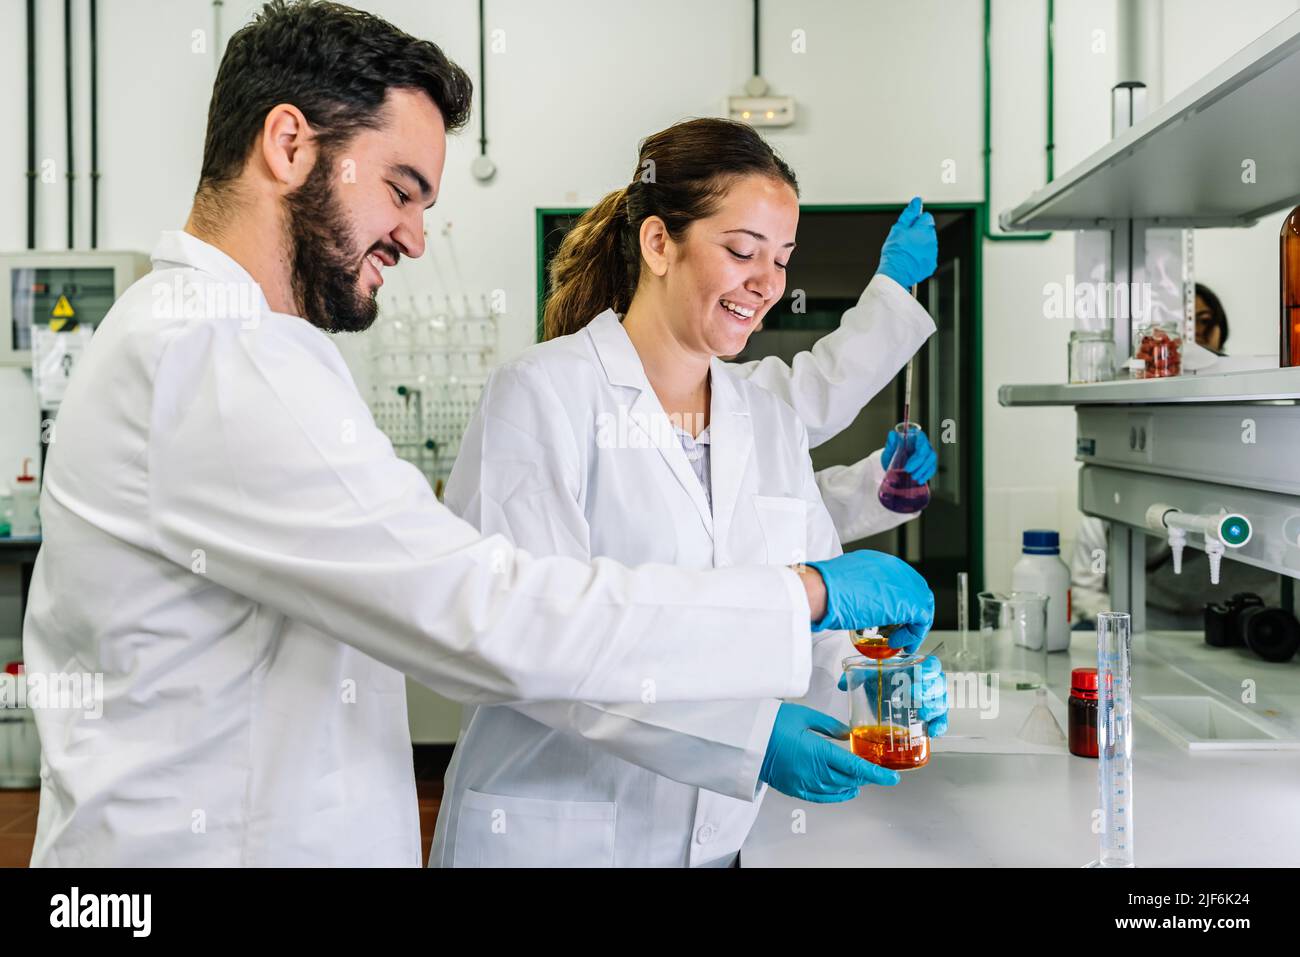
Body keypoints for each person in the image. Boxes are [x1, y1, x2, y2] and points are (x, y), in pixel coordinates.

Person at [21, 1, 933, 867]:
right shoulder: (218, 355)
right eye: (401, 190)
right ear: (290, 145)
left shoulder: (229, 346)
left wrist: (848, 667)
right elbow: (487, 613)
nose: (417, 239)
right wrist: (803, 595)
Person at [429, 119, 947, 868]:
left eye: (782, 258)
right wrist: (747, 737)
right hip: (558, 839)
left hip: (722, 844)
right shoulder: (541, 396)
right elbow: (521, 642)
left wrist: (873, 677)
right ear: (658, 243)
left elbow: (818, 625)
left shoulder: (766, 420)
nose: (768, 282)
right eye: (742, 250)